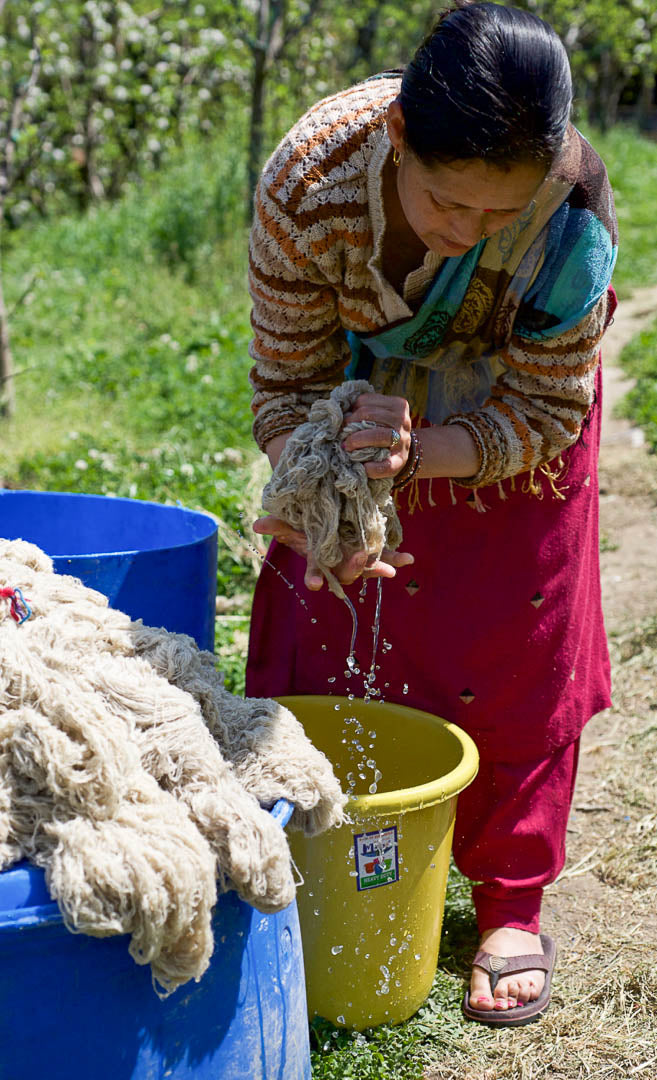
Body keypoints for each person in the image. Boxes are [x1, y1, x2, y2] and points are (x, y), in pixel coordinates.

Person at [244, 0, 617, 1026]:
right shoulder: (312, 180)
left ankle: (508, 896)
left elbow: (546, 405)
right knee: (325, 617)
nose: (471, 233)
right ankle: (305, 843)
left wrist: (430, 451)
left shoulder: (571, 209)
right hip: (350, 397)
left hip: (509, 407)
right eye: (450, 207)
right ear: (400, 139)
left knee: (515, 636)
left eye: (499, 217)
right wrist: (333, 497)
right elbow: (285, 387)